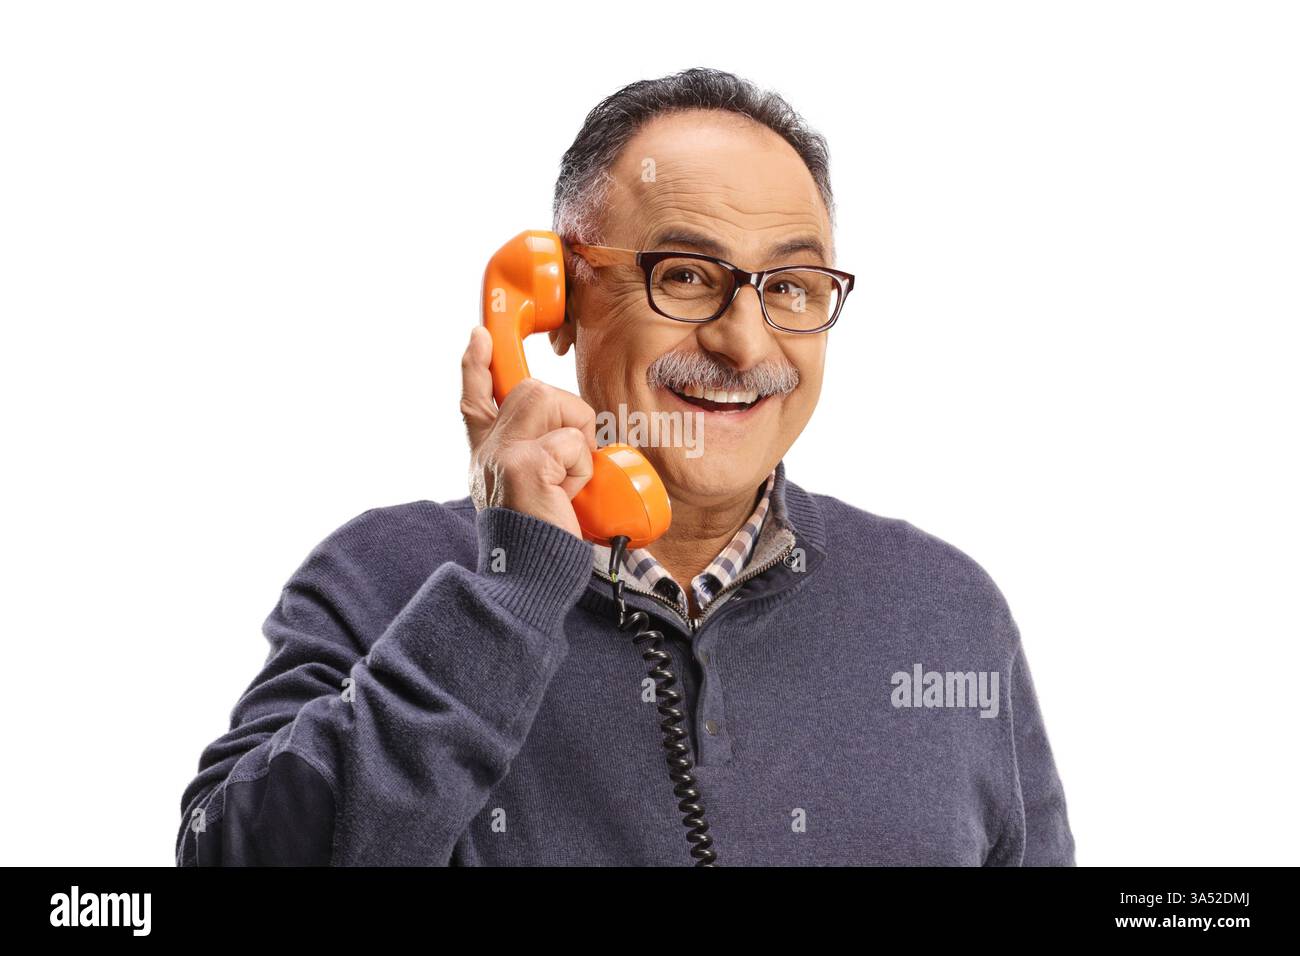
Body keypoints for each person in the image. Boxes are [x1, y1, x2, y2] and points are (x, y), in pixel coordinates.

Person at [177, 67, 1075, 866]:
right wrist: (508, 592)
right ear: (557, 304)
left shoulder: (949, 612)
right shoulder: (381, 579)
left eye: (791, 287)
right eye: (685, 276)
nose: (744, 341)